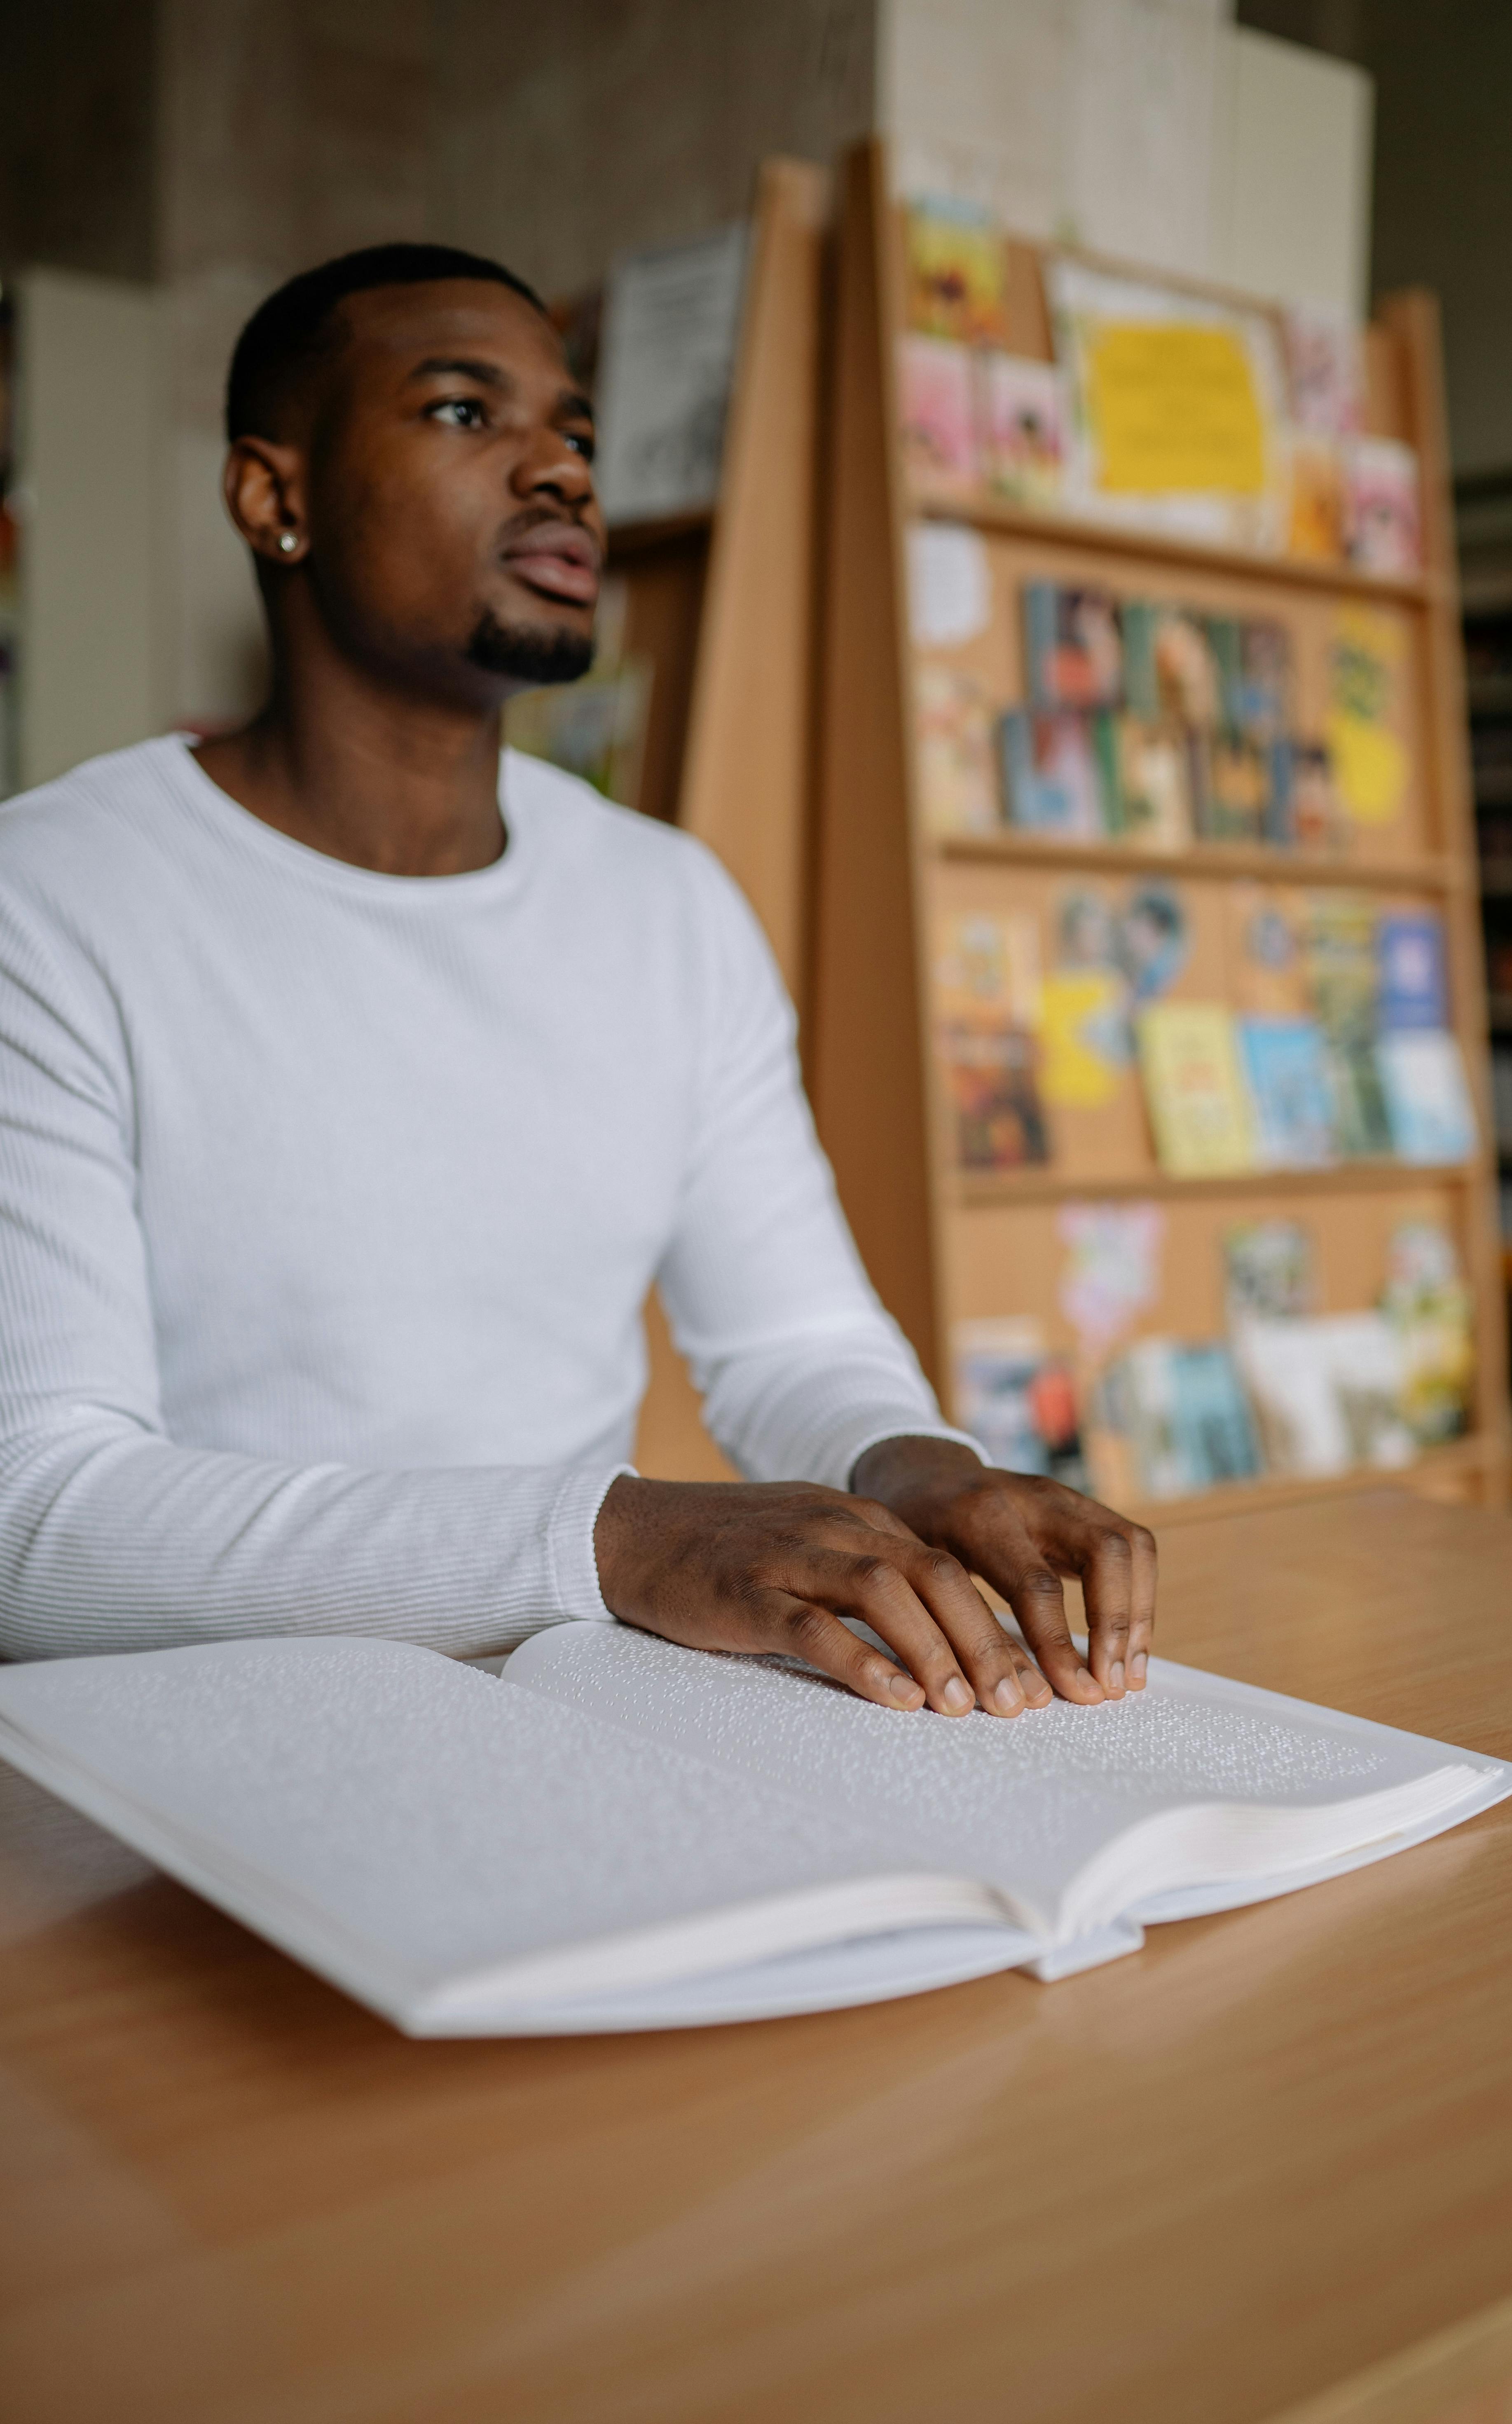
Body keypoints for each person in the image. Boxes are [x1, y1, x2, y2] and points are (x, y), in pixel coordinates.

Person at [0, 242, 1154, 1714]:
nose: (560, 472)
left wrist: (921, 1470)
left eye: (581, 434)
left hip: (581, 1709)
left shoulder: (668, 904)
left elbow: (792, 1338)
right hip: (198, 1741)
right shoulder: (50, 898)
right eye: (466, 415)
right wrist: (608, 1536)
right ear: (273, 496)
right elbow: (35, 1522)